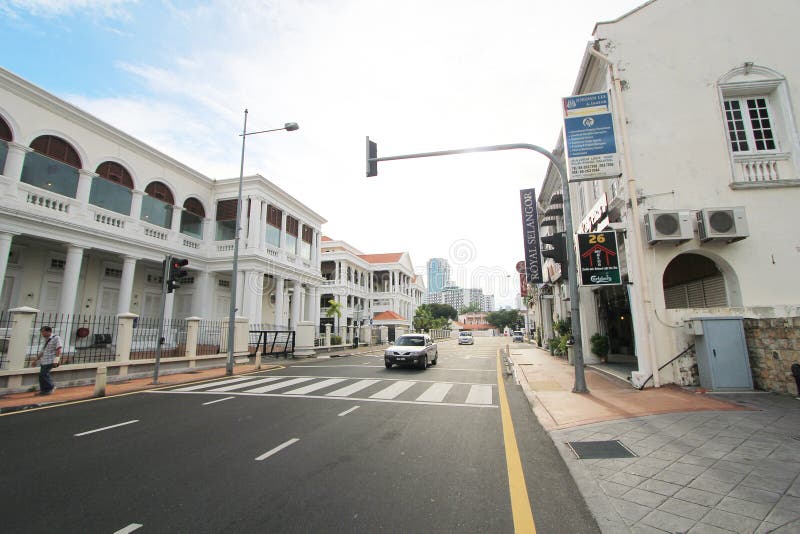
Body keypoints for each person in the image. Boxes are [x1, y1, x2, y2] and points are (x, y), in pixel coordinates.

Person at [35, 326, 63, 395]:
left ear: (49, 331)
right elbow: (43, 351)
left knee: (43, 374)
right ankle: (44, 390)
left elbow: (58, 349)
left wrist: (56, 360)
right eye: (41, 332)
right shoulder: (45, 340)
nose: (42, 334)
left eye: (43, 332)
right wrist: (36, 360)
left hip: (51, 360)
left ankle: (51, 387)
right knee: (42, 376)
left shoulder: (56, 338)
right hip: (44, 360)